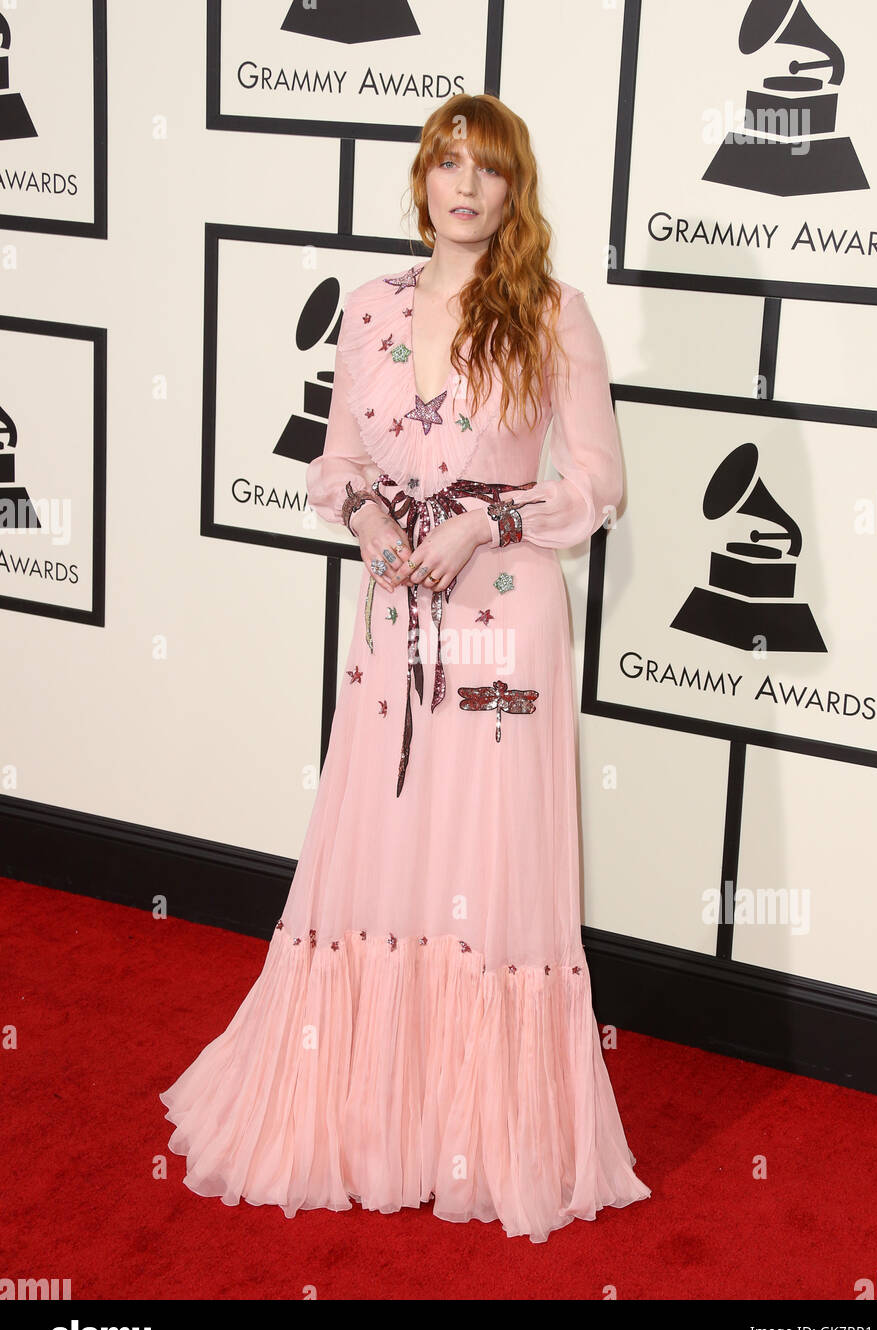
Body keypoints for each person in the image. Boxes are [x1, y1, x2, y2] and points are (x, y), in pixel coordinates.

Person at [160, 93, 651, 1243]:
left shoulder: (549, 312)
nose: (463, 188)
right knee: (384, 851)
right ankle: (376, 1114)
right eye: (445, 165)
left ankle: (487, 1130)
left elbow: (599, 484)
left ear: (512, 185)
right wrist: (372, 524)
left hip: (505, 615)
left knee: (488, 848)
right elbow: (334, 461)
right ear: (421, 179)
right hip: (392, 618)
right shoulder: (367, 305)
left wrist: (489, 524)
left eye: (485, 169)